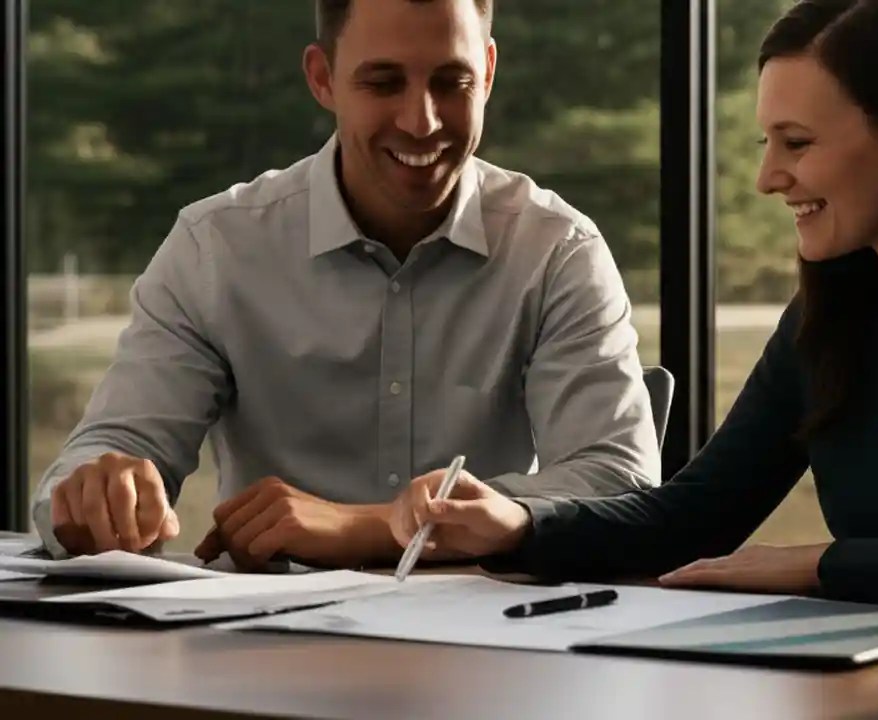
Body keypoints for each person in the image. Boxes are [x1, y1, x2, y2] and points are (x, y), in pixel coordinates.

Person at [385, 0, 878, 614]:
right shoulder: (826, 323)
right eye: (767, 143)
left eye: (796, 143)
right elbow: (692, 517)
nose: (768, 177)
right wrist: (522, 525)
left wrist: (814, 563)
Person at [31, 0, 660, 569]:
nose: (422, 121)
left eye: (453, 81)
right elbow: (105, 453)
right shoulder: (215, 248)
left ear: (488, 72)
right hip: (258, 654)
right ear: (322, 78)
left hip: (488, 651)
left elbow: (621, 484)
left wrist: (375, 527)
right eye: (383, 83)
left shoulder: (557, 250)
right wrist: (96, 496)